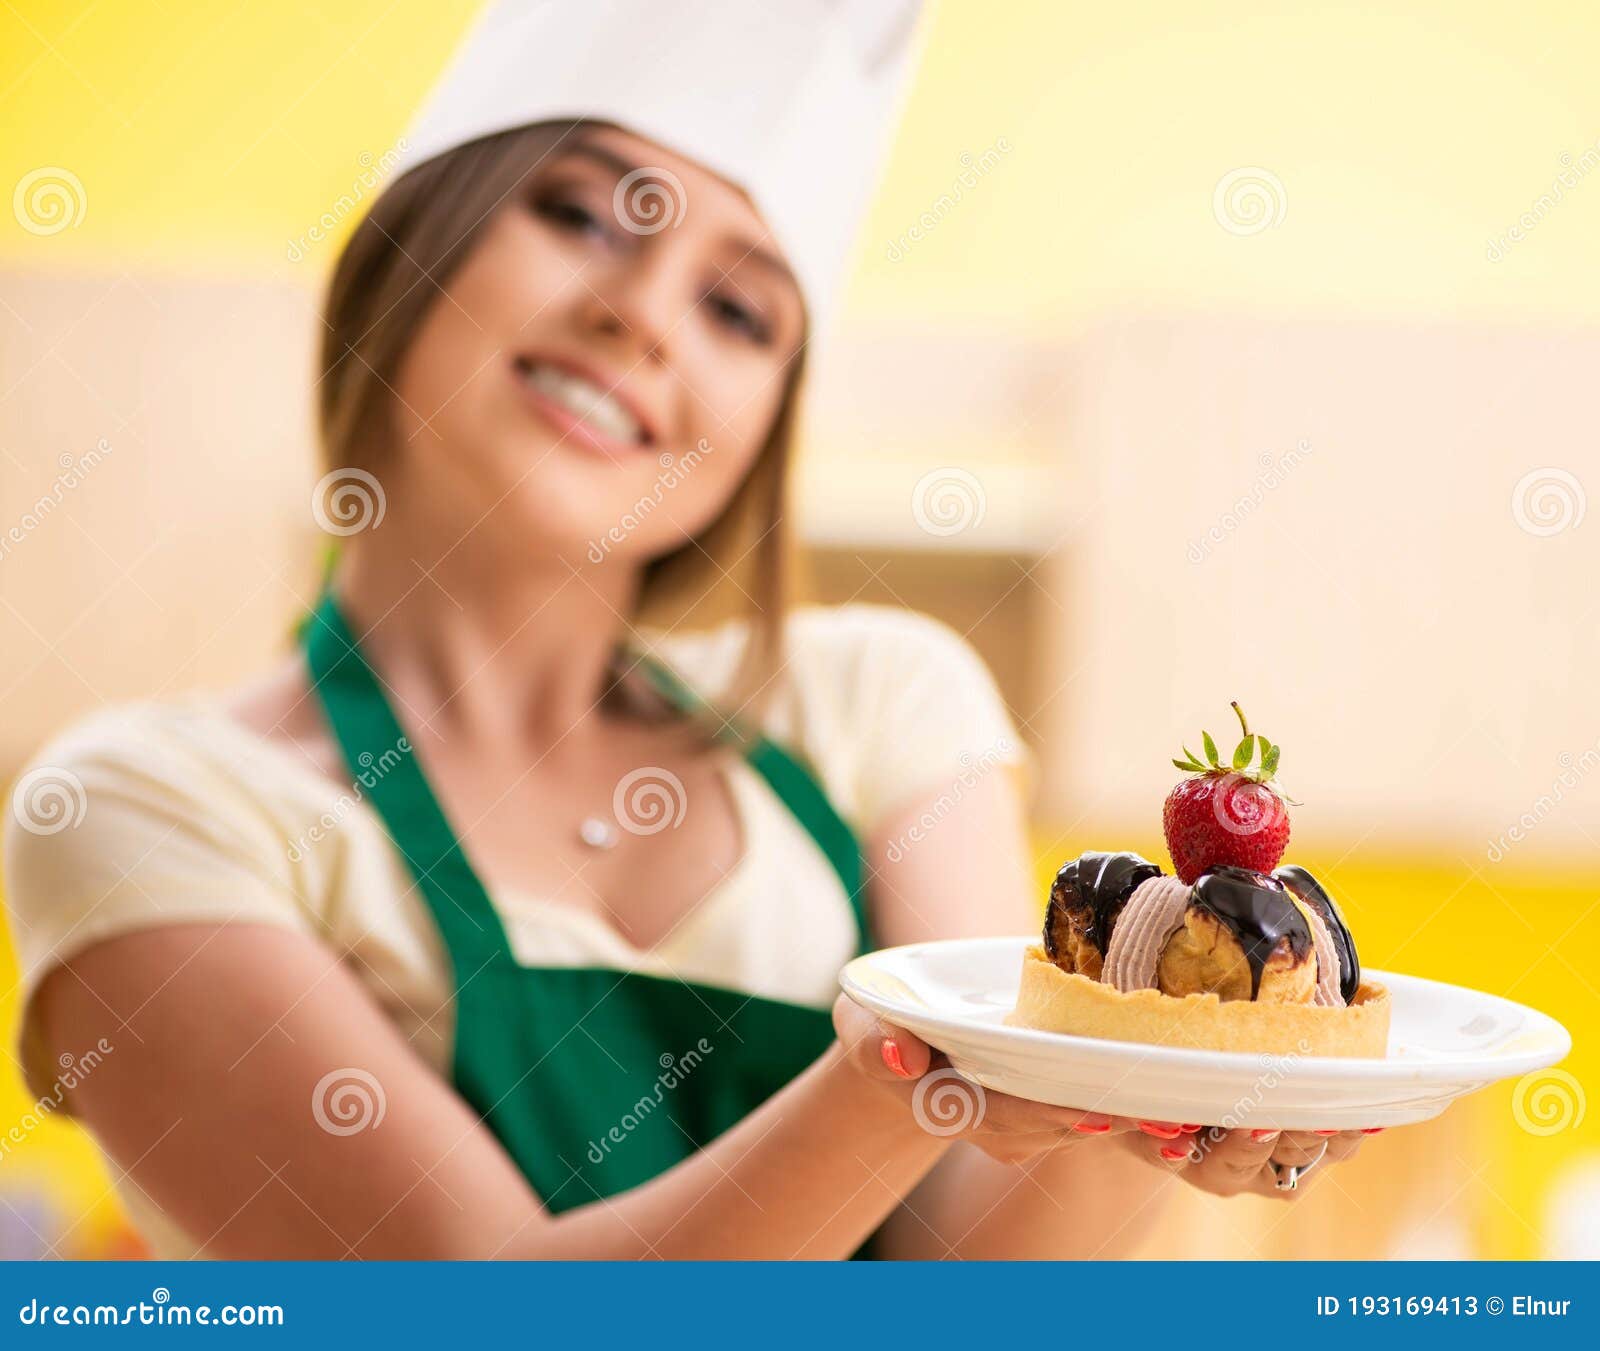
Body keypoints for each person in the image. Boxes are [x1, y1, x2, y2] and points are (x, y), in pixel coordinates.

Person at [2, 0, 1370, 1260]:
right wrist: (920, 1072)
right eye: (585, 217)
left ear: (763, 432)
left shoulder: (873, 707)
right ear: (419, 240)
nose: (642, 315)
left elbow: (990, 1276)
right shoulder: (143, 803)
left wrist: (1153, 1092)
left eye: (736, 308)